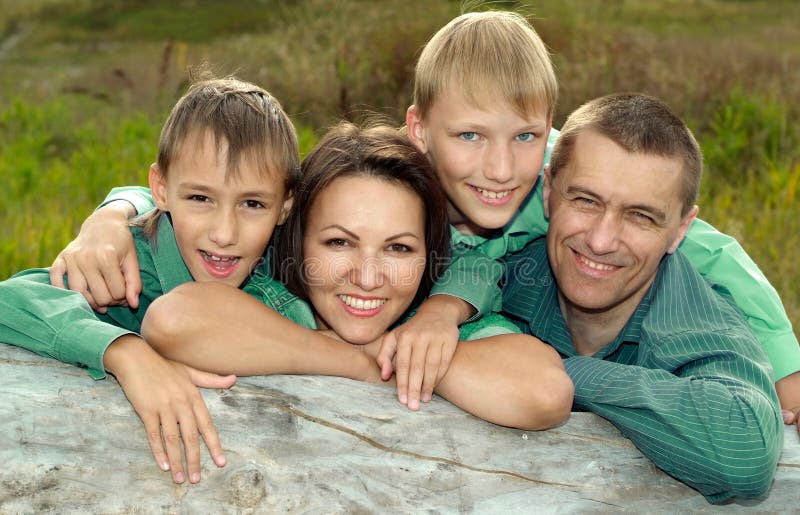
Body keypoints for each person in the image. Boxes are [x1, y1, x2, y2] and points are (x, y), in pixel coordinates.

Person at [50, 10, 800, 422]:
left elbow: (712, 252)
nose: (499, 169)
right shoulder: (382, 186)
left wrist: (788, 367)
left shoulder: (562, 184)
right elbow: (234, 196)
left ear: (548, 138)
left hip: (598, 339)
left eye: (524, 140)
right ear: (421, 131)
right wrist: (120, 210)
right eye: (469, 136)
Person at [140, 121, 574, 430]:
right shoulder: (261, 290)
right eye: (339, 243)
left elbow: (544, 393)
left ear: (430, 256)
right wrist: (358, 361)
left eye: (398, 248)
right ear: (295, 236)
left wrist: (389, 348)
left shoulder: (431, 323)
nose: (368, 278)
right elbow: (174, 320)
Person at [0, 76, 305, 484]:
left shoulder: (286, 270)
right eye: (200, 198)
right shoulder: (130, 269)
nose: (224, 233)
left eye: (252, 203)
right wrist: (125, 354)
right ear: (161, 189)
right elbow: (12, 299)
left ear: (285, 205)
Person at [502, 93, 782, 502]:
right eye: (585, 200)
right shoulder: (503, 270)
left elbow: (745, 452)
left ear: (681, 230)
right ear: (548, 191)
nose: (600, 240)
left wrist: (556, 375)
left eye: (640, 216)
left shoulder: (696, 319)